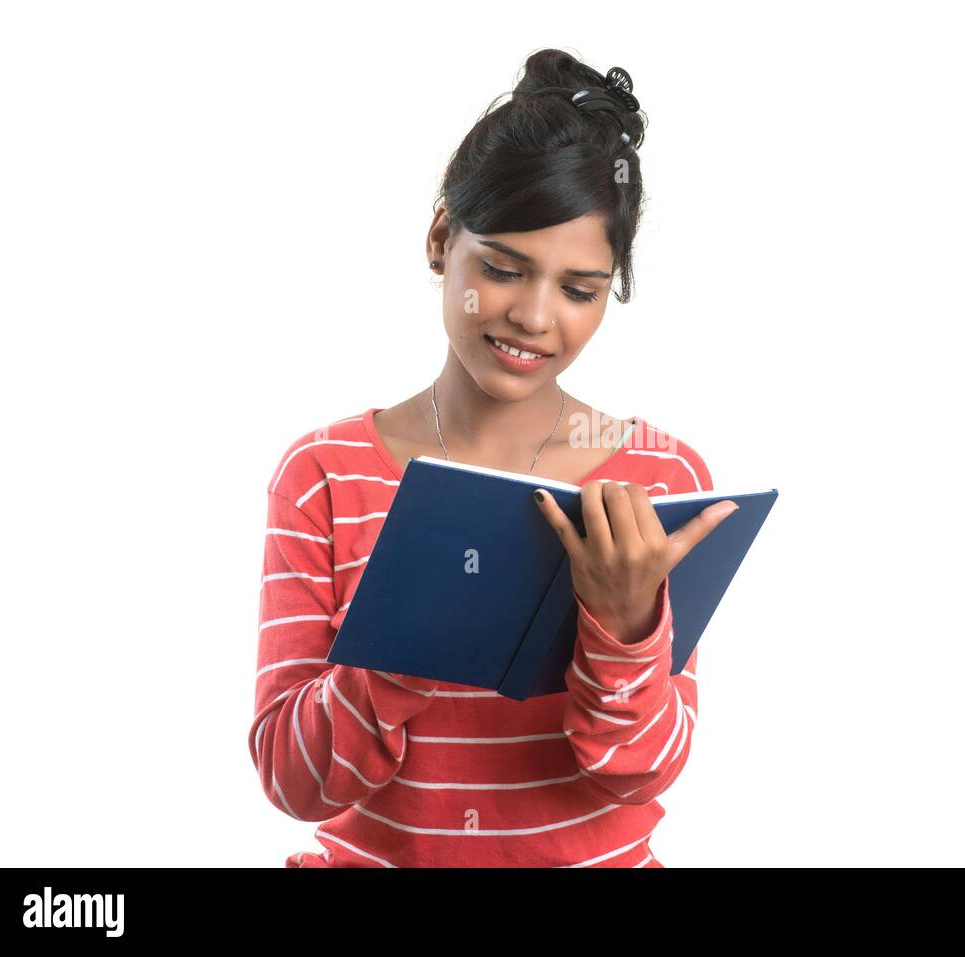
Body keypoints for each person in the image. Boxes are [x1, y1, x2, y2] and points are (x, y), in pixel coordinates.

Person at [248, 48, 737, 867]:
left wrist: (624, 629)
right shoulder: (325, 475)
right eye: (503, 270)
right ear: (442, 238)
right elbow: (293, 782)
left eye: (581, 290)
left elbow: (643, 774)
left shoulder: (659, 479)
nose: (536, 317)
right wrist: (398, 644)